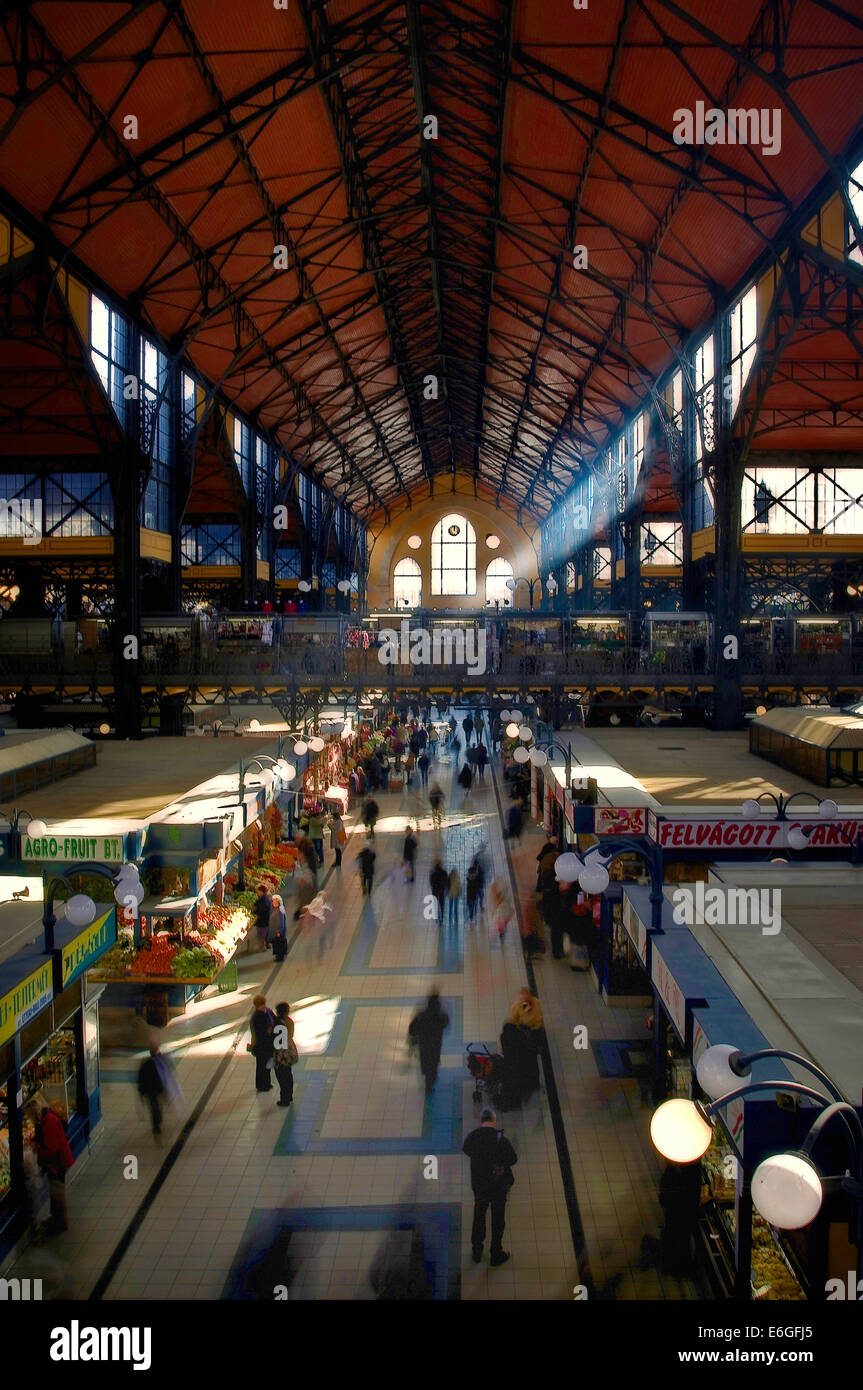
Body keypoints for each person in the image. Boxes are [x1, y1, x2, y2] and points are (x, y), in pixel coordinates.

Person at [462, 1109, 517, 1266]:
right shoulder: (501, 1139)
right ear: (494, 1121)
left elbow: (466, 1149)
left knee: (479, 1215)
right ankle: (495, 1253)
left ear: (481, 1120)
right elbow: (513, 1159)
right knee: (498, 1219)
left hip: (479, 1184)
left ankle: (477, 1251)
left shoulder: (472, 1137)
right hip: (498, 1185)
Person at [32, 1097, 74, 1233]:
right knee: (56, 1191)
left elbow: (51, 1147)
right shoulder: (46, 1118)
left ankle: (60, 1222)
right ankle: (57, 1218)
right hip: (57, 1162)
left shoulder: (48, 1120)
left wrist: (37, 1149)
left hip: (58, 1162)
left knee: (57, 1192)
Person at [408, 990, 450, 1095]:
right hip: (435, 1046)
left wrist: (415, 1038)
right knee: (433, 1065)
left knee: (427, 1065)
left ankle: (428, 1083)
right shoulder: (439, 1017)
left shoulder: (422, 1016)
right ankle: (430, 1082)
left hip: (424, 1046)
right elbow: (445, 1022)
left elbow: (412, 1029)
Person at [250, 995, 277, 1093]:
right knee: (261, 1066)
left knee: (267, 1065)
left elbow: (275, 1020)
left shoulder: (268, 1012)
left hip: (267, 1044)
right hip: (261, 1045)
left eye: (263, 1004)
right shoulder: (257, 1017)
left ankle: (267, 1083)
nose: (263, 1007)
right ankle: (261, 1085)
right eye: (261, 1005)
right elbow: (259, 1032)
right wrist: (269, 1030)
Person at [273, 1001, 297, 1108]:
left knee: (281, 1077)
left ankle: (284, 1099)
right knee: (288, 1074)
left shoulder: (277, 1024)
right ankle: (290, 1095)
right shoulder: (290, 1022)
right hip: (289, 1051)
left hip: (280, 1053)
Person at [137, 1044, 166, 1136]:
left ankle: (157, 1123)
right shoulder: (155, 1064)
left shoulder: (146, 1063)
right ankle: (156, 1126)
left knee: (155, 1107)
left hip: (150, 1090)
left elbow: (140, 1079)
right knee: (155, 1107)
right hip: (152, 1090)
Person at [252, 881, 272, 954]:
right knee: (265, 932)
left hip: (263, 920)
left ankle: (263, 946)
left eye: (258, 891)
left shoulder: (264, 900)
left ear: (261, 891)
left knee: (262, 933)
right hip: (265, 919)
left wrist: (255, 912)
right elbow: (257, 903)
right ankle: (267, 944)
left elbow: (262, 909)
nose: (257, 893)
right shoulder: (264, 898)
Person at [269, 892, 288, 962]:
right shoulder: (277, 909)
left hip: (278, 932)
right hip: (276, 931)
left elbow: (281, 922)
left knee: (279, 945)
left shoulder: (280, 911)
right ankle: (278, 956)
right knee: (277, 945)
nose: (273, 903)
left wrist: (278, 931)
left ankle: (280, 957)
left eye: (274, 901)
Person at [429, 859, 448, 923]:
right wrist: (445, 888)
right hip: (442, 890)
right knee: (442, 904)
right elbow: (446, 881)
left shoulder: (433, 872)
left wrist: (433, 887)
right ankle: (441, 917)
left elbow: (431, 882)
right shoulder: (444, 872)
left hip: (435, 890)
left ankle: (436, 917)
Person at [465, 857, 483, 926]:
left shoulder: (469, 881)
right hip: (474, 897)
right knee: (473, 908)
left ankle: (471, 917)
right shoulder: (475, 882)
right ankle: (472, 918)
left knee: (471, 908)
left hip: (469, 898)